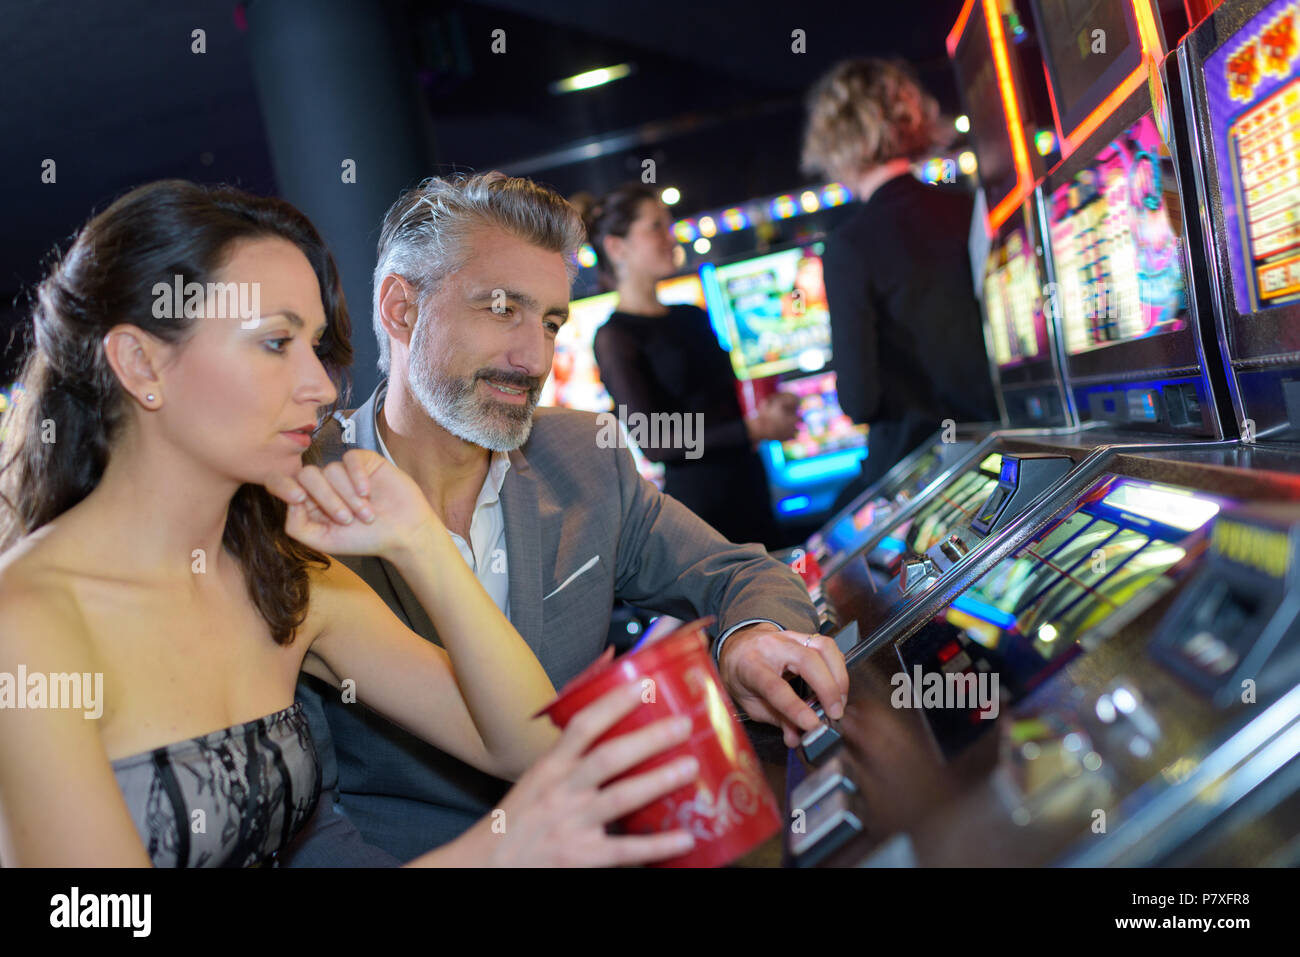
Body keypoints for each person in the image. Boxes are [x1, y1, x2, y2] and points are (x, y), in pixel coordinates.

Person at [0, 179, 703, 867]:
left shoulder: (281, 576)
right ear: (141, 361)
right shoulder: (26, 619)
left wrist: (418, 539)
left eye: (315, 345)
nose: (321, 385)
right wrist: (484, 853)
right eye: (276, 343)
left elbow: (528, 742)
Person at [283, 172, 849, 865]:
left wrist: (748, 640)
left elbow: (740, 574)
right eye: (502, 310)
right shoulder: (294, 495)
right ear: (402, 309)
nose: (535, 358)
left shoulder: (583, 456)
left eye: (550, 322)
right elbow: (305, 821)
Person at [801, 58, 999, 497]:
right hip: (1004, 442)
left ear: (835, 140)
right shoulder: (968, 208)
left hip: (918, 464)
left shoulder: (848, 246)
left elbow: (860, 399)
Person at [576, 184, 801, 549]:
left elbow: (727, 399)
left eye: (669, 225)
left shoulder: (690, 315)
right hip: (702, 508)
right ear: (618, 248)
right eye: (656, 227)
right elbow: (655, 441)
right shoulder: (615, 336)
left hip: (751, 485)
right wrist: (750, 429)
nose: (671, 237)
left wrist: (770, 407)